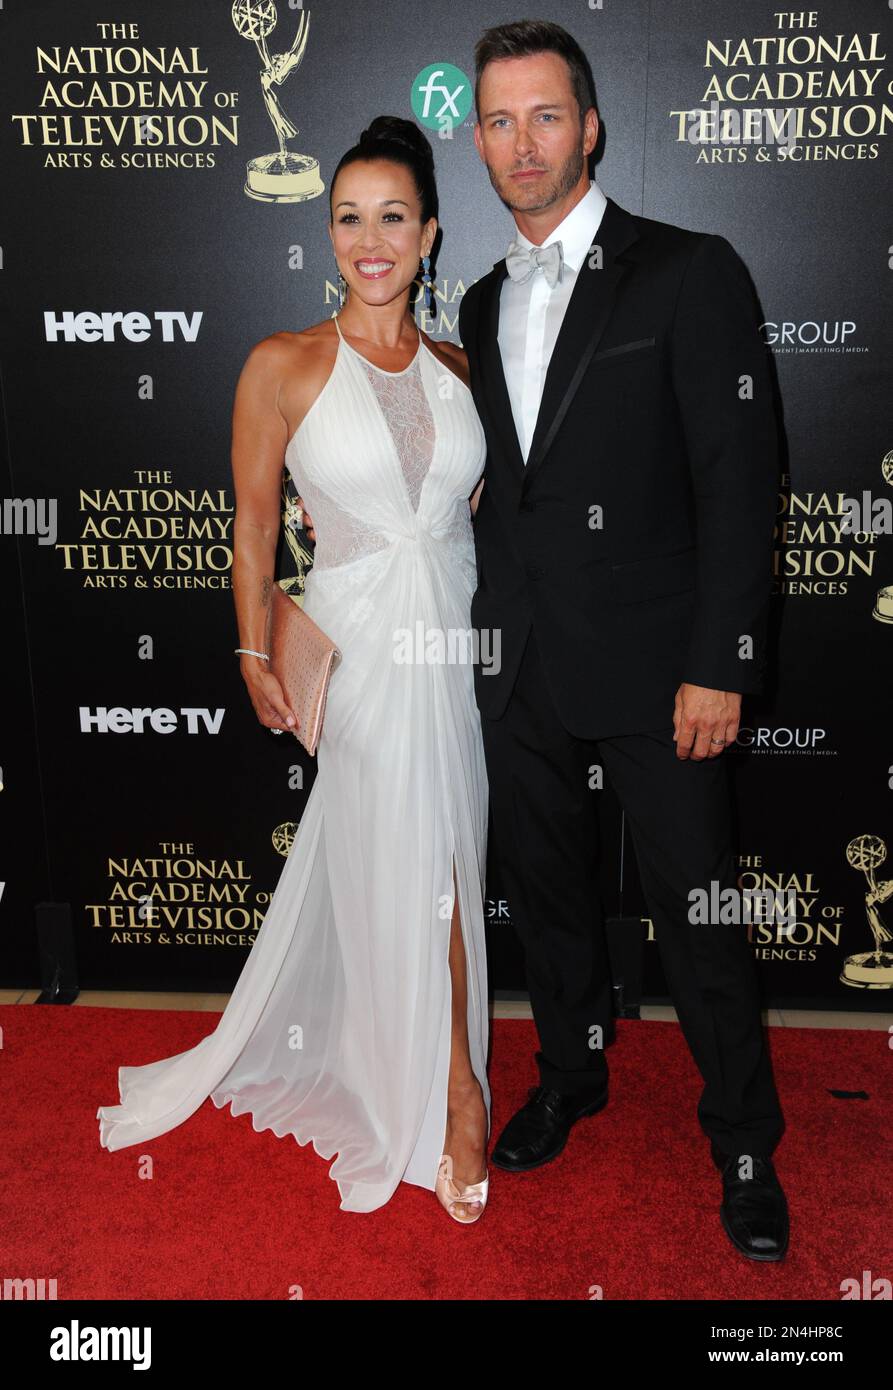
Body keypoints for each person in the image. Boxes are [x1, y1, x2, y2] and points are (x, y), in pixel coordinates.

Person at [97, 116, 492, 1223]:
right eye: (348, 218)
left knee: (452, 849)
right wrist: (251, 650)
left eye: (393, 218)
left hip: (455, 645)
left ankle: (424, 1069)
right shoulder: (280, 364)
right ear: (327, 231)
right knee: (418, 859)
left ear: (428, 233)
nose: (370, 240)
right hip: (360, 656)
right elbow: (253, 526)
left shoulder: (465, 371)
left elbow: (468, 517)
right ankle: (452, 1089)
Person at [456, 19, 789, 1261]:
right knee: (547, 901)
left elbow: (739, 476)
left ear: (589, 125)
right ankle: (570, 1074)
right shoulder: (481, 297)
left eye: (545, 116)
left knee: (698, 913)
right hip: (524, 665)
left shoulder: (686, 270)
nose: (521, 142)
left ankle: (744, 1140)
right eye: (498, 120)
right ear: (476, 137)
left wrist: (721, 661)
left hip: (663, 672)